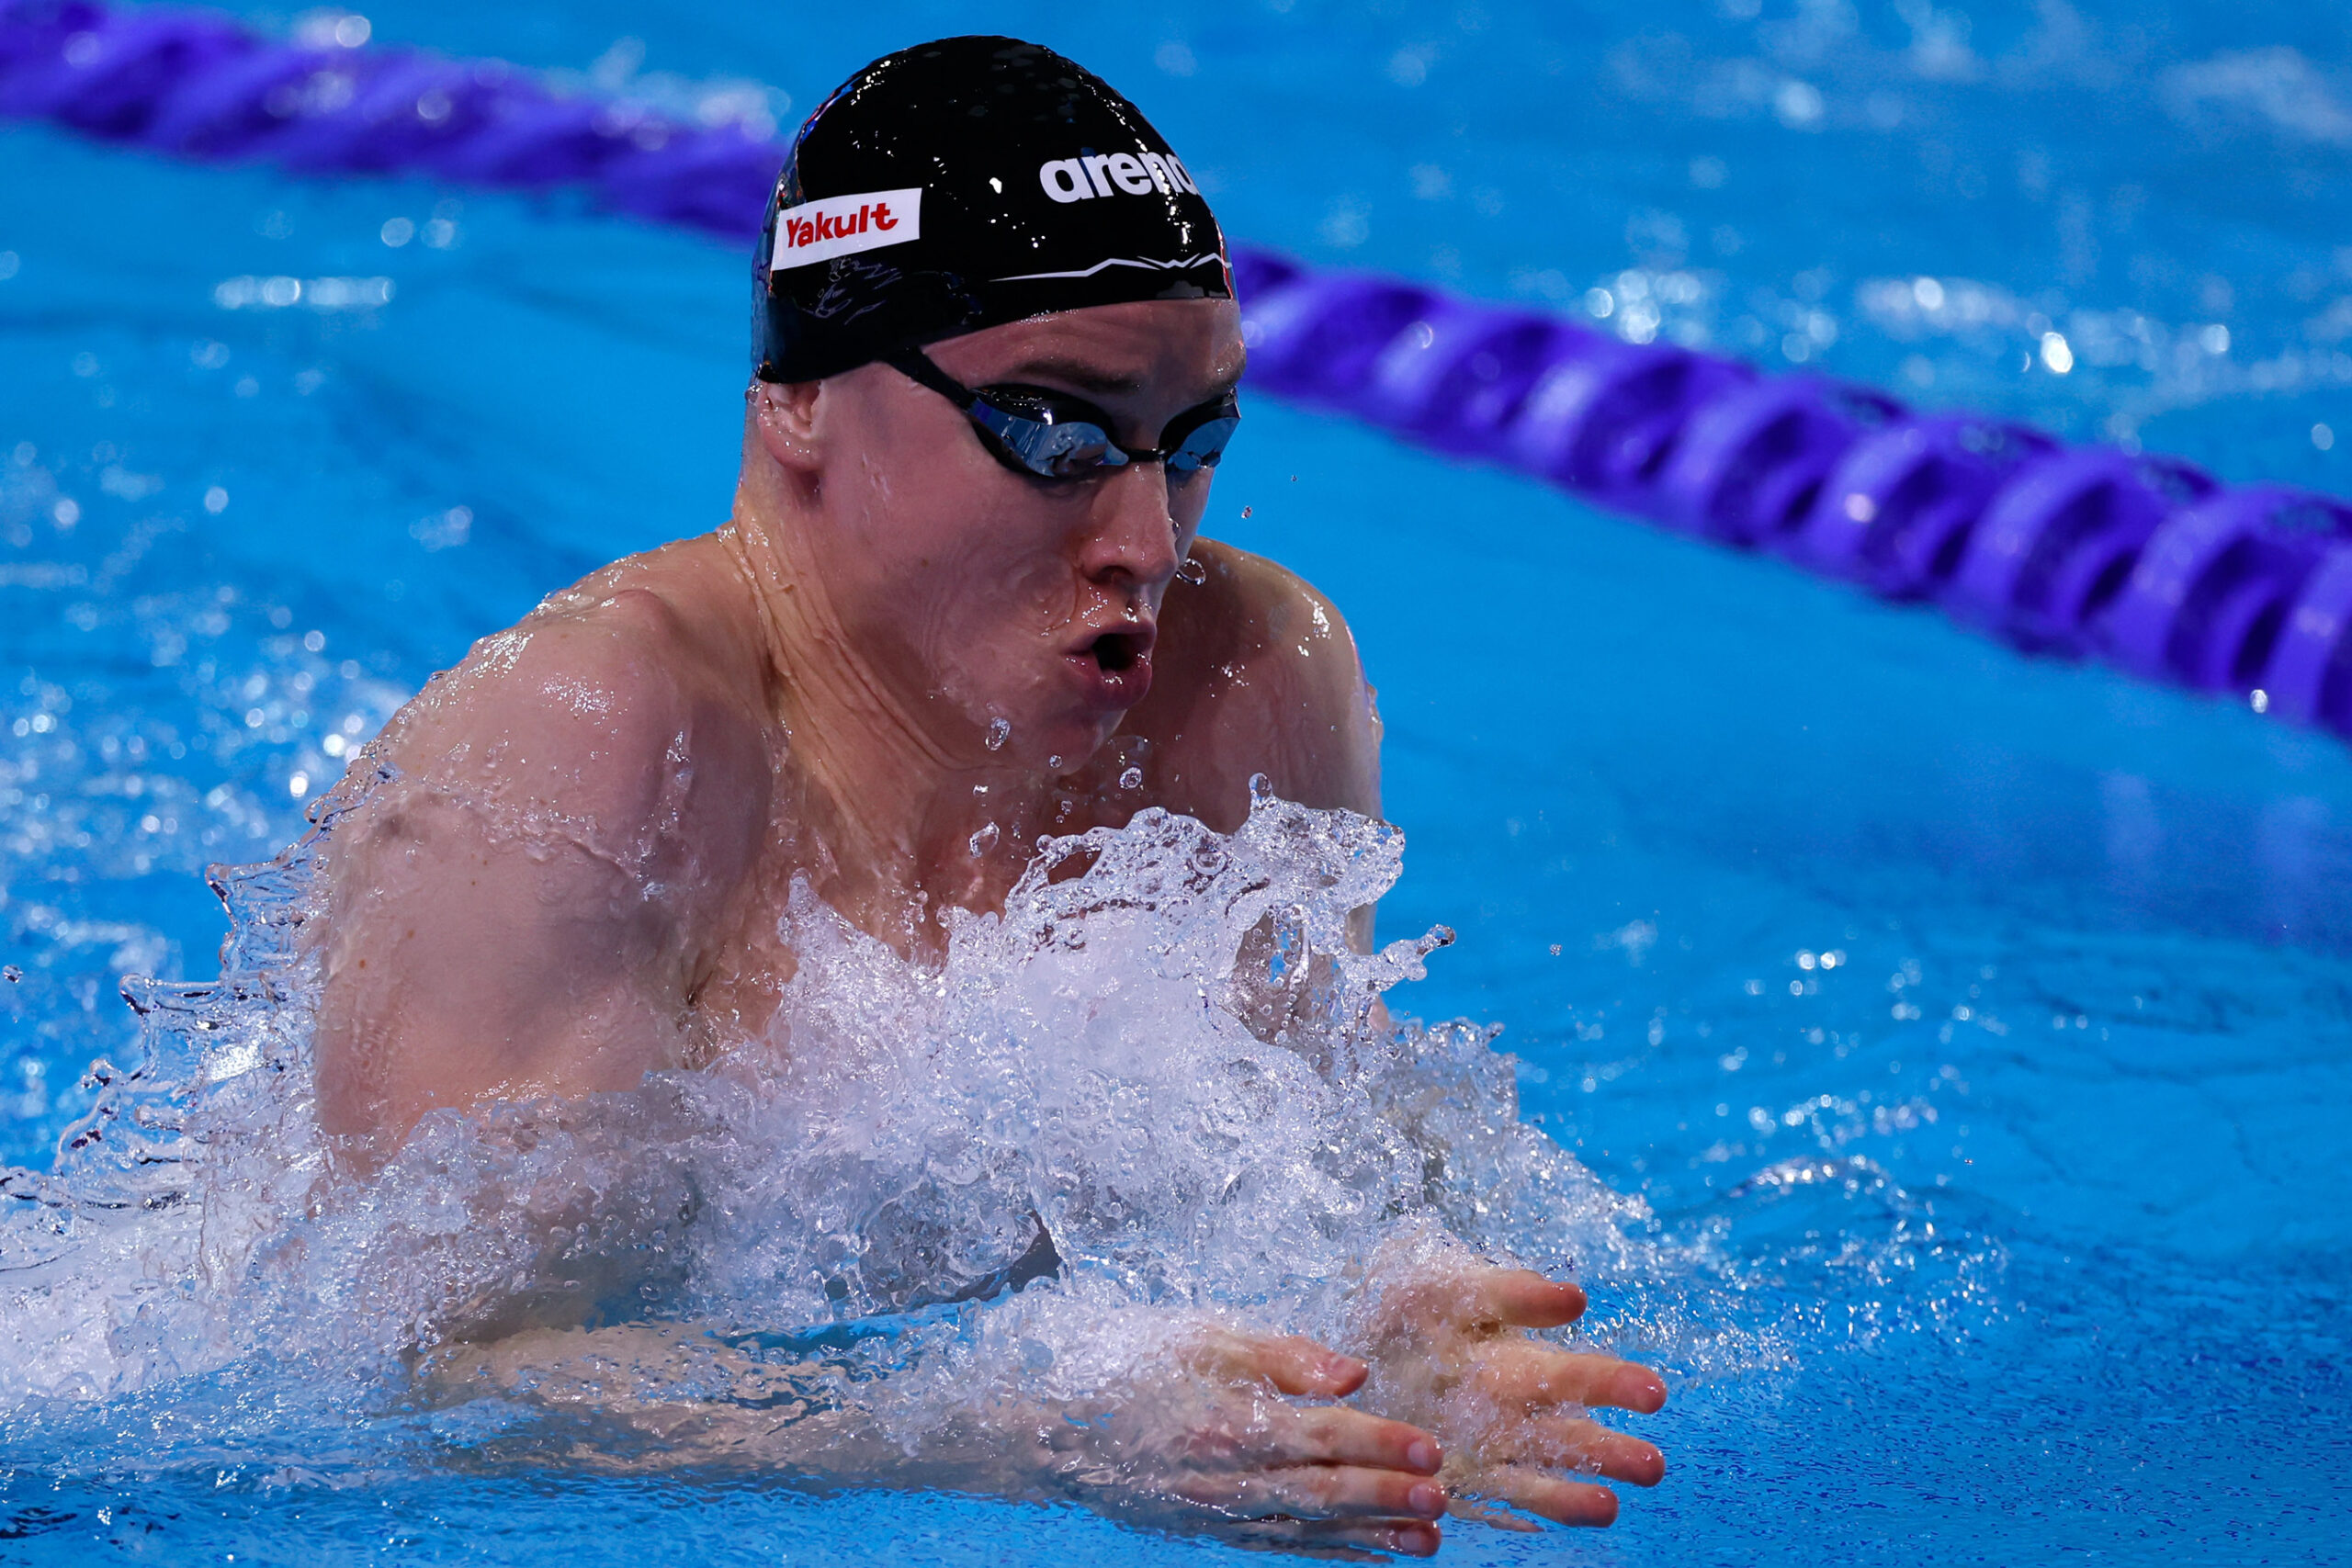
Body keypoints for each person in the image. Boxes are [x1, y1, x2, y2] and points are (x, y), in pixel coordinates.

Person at [311, 35, 1665, 1556]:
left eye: (1193, 442)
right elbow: (454, 1379)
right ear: (804, 400)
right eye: (1052, 430)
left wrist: (1406, 1296)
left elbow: (1312, 1146)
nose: (1146, 540)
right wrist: (1003, 1433)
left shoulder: (1250, 685)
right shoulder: (591, 752)